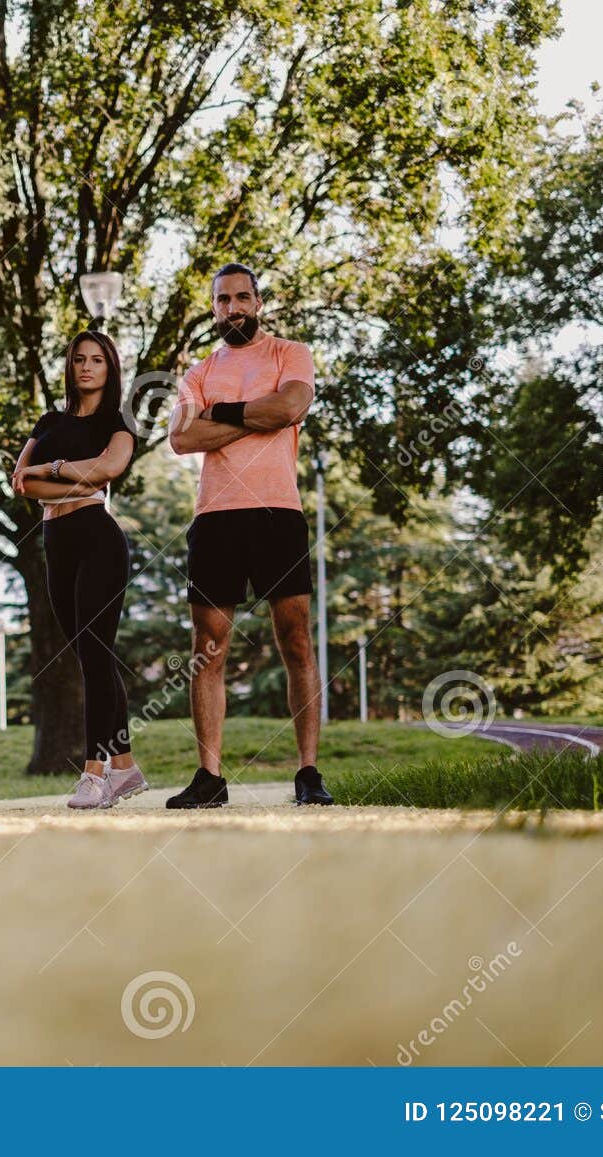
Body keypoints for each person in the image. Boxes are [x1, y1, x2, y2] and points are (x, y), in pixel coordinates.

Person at [166, 264, 334, 807]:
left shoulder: (291, 354)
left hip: (278, 512)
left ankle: (308, 773)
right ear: (213, 308)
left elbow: (291, 406)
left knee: (297, 642)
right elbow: (181, 438)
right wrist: (256, 417)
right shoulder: (196, 373)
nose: (233, 308)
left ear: (258, 302)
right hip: (215, 516)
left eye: (242, 298)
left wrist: (224, 414)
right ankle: (210, 778)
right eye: (223, 301)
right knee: (207, 650)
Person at [12, 330, 144, 809]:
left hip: (98, 538)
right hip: (56, 541)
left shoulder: (118, 419)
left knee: (94, 652)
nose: (87, 367)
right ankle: (126, 769)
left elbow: (108, 469)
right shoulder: (49, 419)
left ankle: (95, 772)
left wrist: (54, 469)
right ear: (69, 366)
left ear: (110, 368)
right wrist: (71, 477)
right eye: (79, 359)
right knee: (95, 654)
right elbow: (21, 481)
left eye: (97, 360)